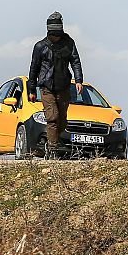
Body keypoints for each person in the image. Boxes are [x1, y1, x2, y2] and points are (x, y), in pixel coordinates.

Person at [27, 12, 84, 155]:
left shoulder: (69, 43)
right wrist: (31, 89)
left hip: (64, 86)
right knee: (52, 118)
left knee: (62, 121)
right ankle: (52, 149)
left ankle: (52, 141)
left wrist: (78, 80)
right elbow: (34, 68)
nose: (55, 37)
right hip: (47, 88)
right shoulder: (40, 46)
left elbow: (75, 61)